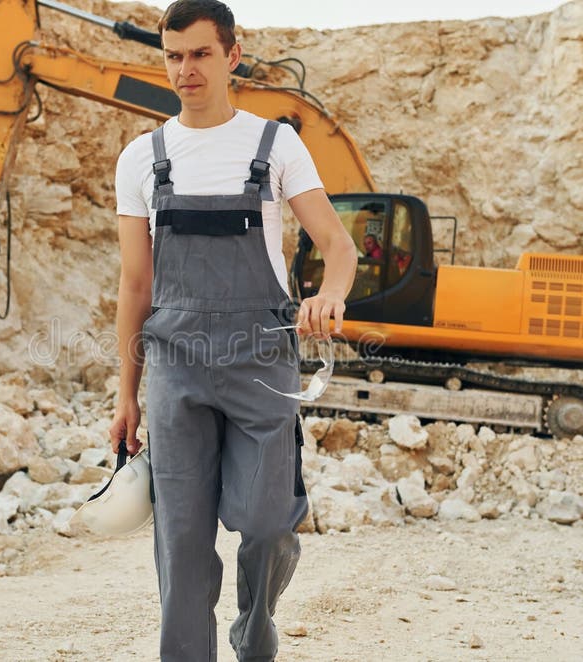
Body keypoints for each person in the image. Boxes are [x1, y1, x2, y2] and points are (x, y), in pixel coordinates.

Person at [108, 2, 357, 659]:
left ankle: (254, 629)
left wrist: (330, 295)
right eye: (173, 56)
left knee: (270, 523)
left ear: (232, 56)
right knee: (183, 542)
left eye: (199, 54)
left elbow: (338, 246)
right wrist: (126, 396)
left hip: (262, 363)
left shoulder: (276, 145)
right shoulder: (141, 158)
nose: (184, 70)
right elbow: (136, 286)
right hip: (175, 370)